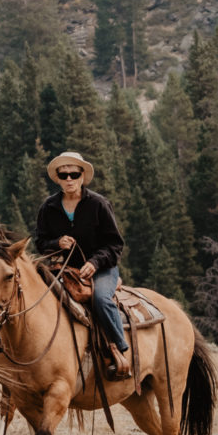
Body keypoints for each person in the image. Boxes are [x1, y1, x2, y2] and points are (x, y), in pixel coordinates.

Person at [33, 151, 130, 379]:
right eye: (63, 174)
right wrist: (56, 242)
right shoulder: (49, 207)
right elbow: (40, 242)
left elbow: (115, 244)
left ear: (82, 176)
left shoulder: (98, 204)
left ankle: (121, 349)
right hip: (63, 269)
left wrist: (95, 262)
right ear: (57, 177)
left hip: (102, 268)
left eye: (73, 174)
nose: (68, 179)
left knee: (100, 299)